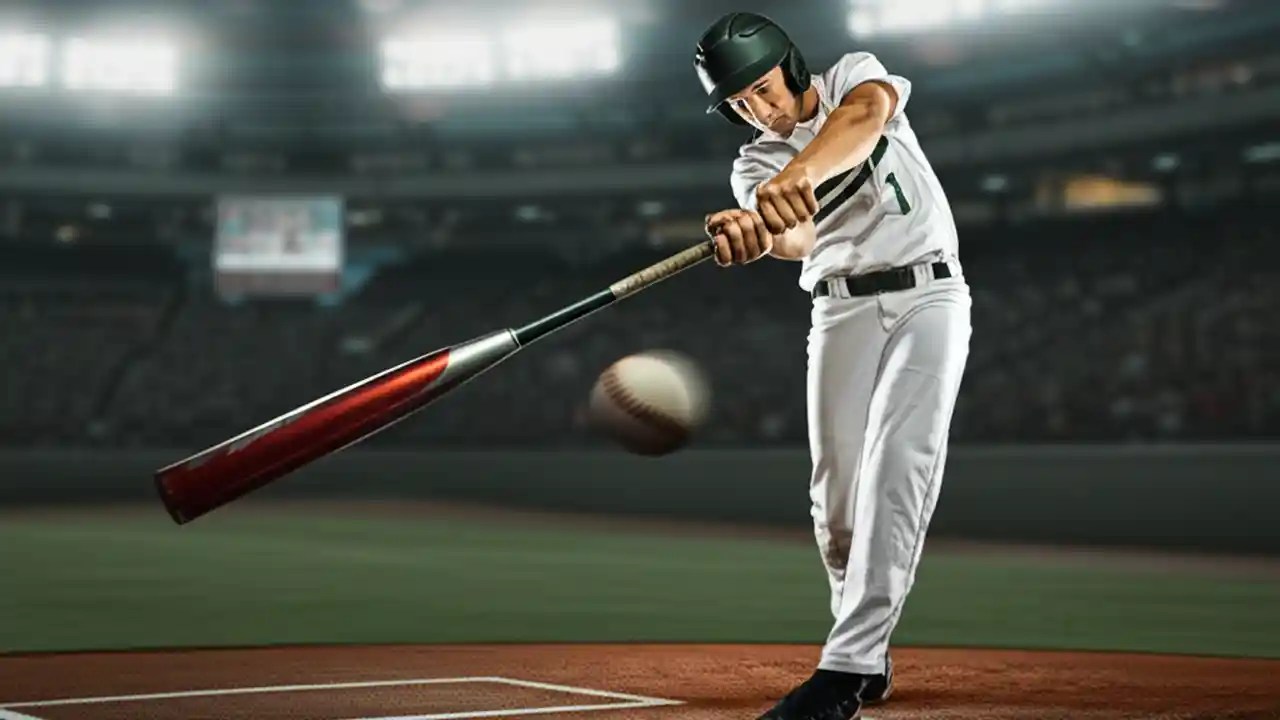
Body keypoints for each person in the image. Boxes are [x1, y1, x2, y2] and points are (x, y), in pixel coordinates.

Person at [694, 12, 972, 720]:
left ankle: (844, 670)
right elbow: (797, 239)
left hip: (928, 294)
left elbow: (866, 116)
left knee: (898, 468)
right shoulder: (752, 166)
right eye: (739, 103)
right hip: (839, 309)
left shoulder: (852, 75)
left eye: (763, 89)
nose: (759, 109)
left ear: (790, 66)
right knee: (837, 505)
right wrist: (756, 233)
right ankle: (868, 654)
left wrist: (799, 173)